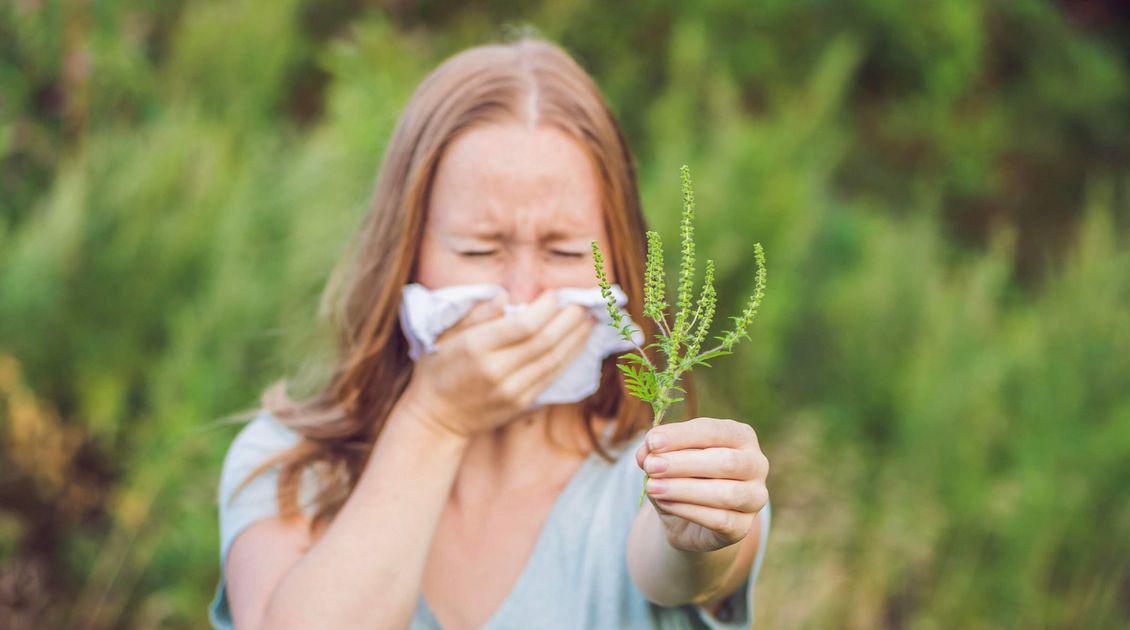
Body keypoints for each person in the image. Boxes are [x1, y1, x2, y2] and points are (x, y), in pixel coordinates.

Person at [208, 36, 771, 630]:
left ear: (619, 260)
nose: (523, 297)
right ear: (405, 253)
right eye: (479, 249)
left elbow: (678, 568)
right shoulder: (289, 465)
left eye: (563, 251)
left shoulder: (659, 471)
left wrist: (696, 535)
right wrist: (435, 420)